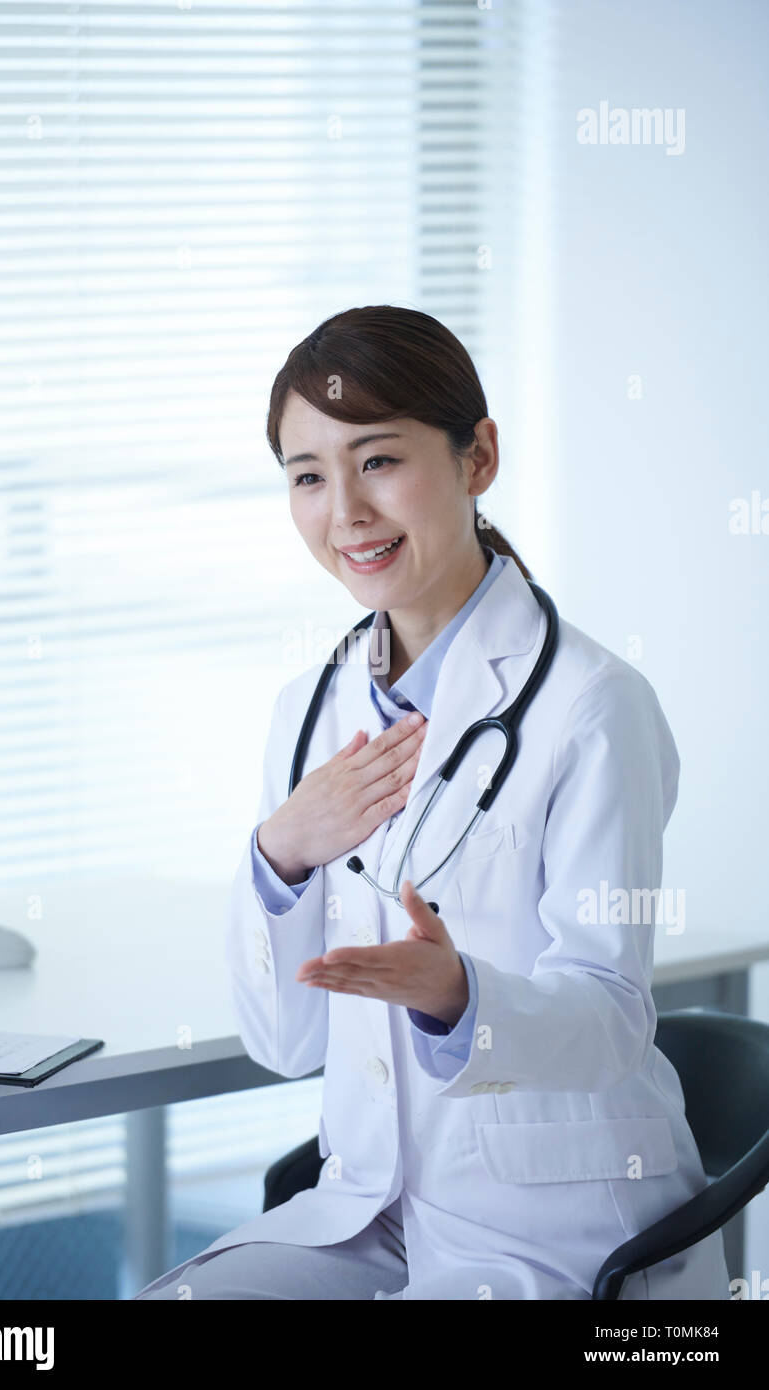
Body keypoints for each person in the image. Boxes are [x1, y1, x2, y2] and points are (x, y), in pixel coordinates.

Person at [134, 305, 730, 1301]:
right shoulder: (306, 711)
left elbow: (612, 1018)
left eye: (378, 460)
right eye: (308, 475)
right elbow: (286, 1044)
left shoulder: (589, 706)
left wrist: (459, 996)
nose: (345, 512)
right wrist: (279, 855)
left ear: (477, 456)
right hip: (369, 1212)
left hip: (548, 1231)